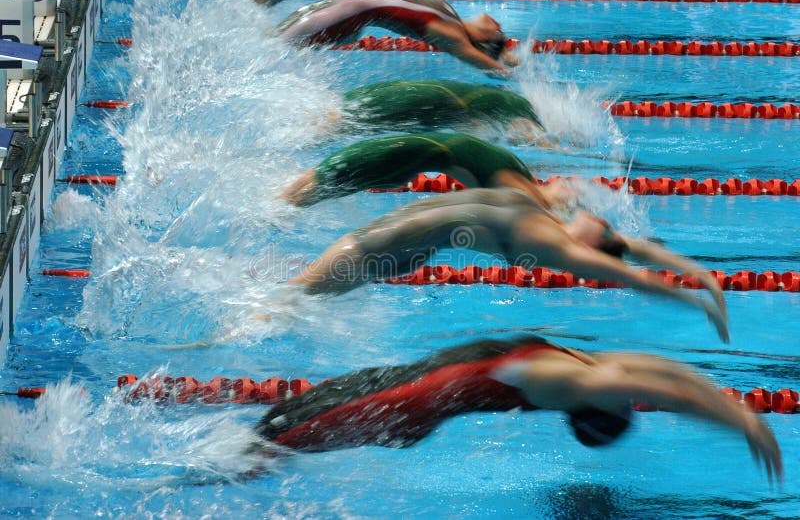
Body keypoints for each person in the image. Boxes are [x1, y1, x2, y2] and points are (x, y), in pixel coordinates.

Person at [254, 335, 782, 483]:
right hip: (401, 400)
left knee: (266, 447)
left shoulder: (576, 375)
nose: (630, 393)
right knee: (266, 443)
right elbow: (665, 377)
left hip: (400, 403)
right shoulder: (581, 375)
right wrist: (742, 418)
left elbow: (655, 380)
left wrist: (743, 420)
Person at [287, 188, 729, 341]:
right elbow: (633, 251)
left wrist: (699, 304)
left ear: (595, 251)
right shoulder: (554, 221)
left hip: (374, 251)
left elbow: (630, 271)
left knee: (283, 306)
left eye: (608, 232)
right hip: (375, 246)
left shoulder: (561, 246)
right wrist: (705, 278)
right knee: (285, 304)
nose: (608, 222)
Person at [267, 0, 518, 74]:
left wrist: (504, 65)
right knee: (268, 43)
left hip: (341, 16)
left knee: (271, 49)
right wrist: (504, 54)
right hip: (341, 8)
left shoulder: (451, 35)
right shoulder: (450, 13)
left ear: (485, 40)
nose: (499, 25)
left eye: (500, 33)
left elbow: (482, 62)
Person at [279, 132, 551, 207]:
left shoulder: (517, 188)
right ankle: (274, 208)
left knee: (306, 192)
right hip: (397, 153)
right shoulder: (521, 181)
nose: (572, 186)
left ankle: (274, 208)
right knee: (308, 188)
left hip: (398, 155)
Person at [340, 80, 544, 135]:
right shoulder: (517, 108)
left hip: (412, 92)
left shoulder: (508, 100)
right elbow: (533, 137)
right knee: (344, 121)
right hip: (425, 100)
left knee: (346, 113)